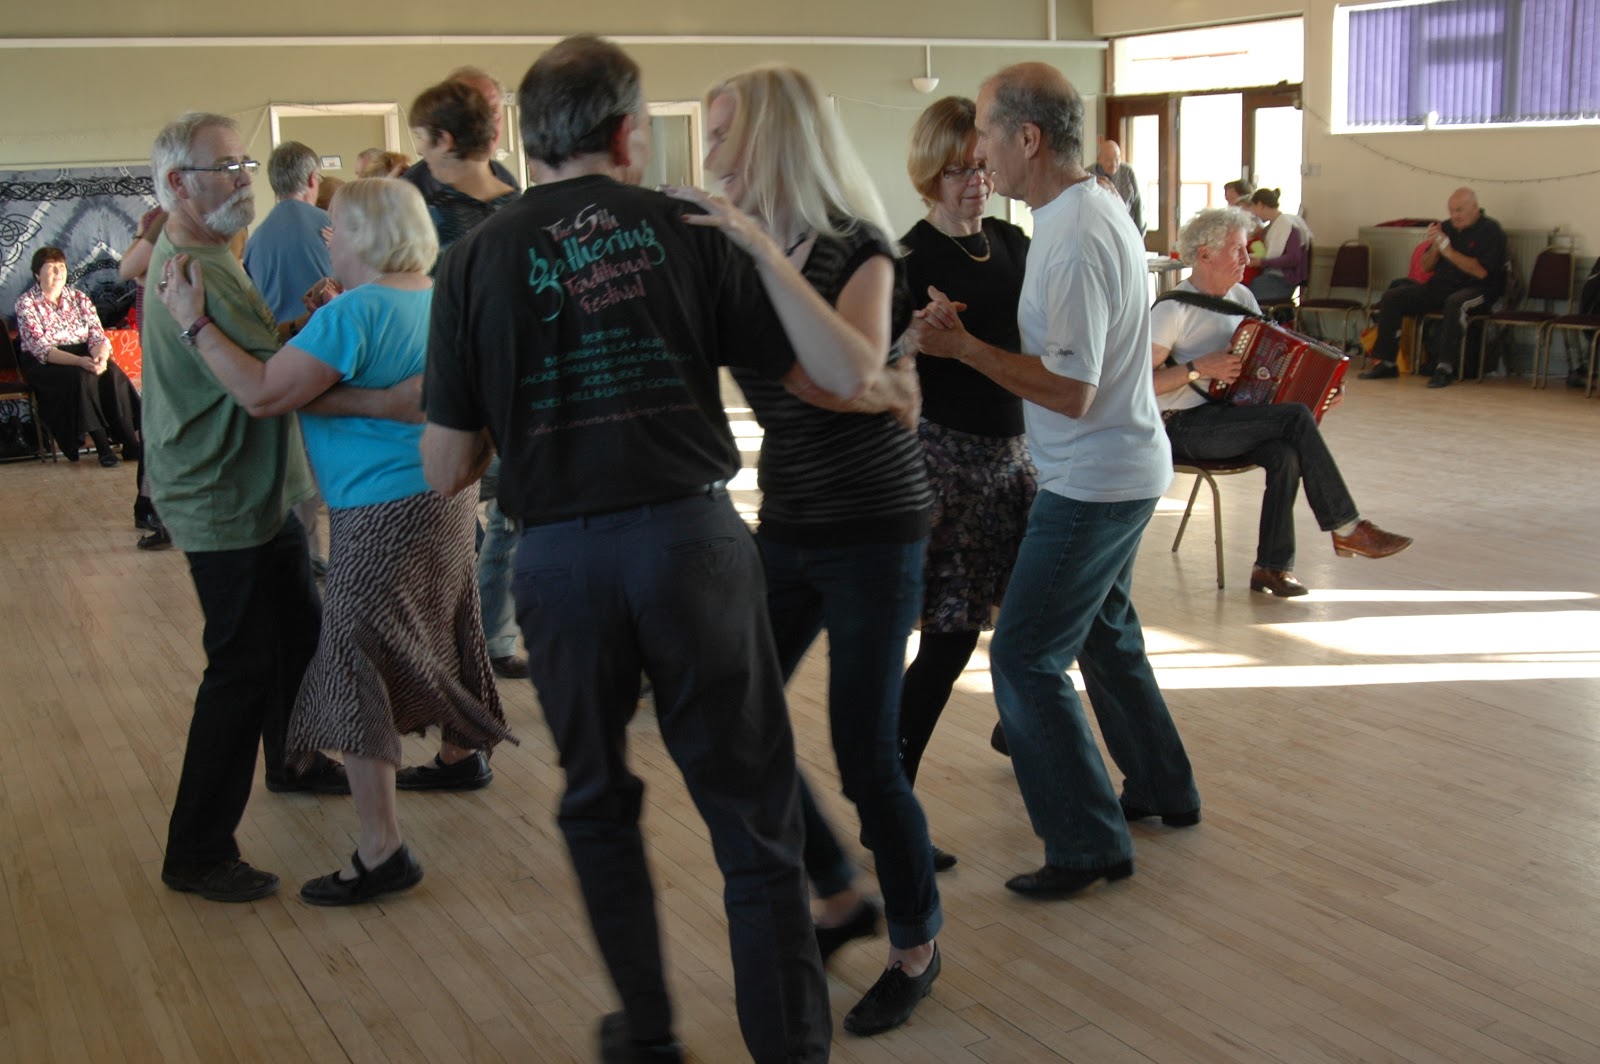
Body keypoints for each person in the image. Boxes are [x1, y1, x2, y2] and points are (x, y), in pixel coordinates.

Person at [421, 36, 882, 1063]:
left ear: (530, 139)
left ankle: (650, 1031)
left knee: (596, 800)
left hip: (558, 563)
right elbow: (835, 375)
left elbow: (447, 464)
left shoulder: (472, 259)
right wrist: (762, 253)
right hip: (692, 544)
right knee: (753, 811)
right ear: (629, 132)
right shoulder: (688, 227)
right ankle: (791, 1045)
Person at [157, 177, 514, 906]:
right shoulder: (437, 299)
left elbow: (259, 393)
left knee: (355, 661)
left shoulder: (355, 313)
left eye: (338, 228)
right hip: (444, 504)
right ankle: (457, 752)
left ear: (370, 238)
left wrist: (195, 324)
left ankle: (381, 849)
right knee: (430, 632)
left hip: (379, 515)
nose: (329, 239)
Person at [911, 62, 1197, 899]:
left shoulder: (1067, 236)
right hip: (1120, 466)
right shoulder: (1090, 205)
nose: (983, 155)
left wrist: (964, 350)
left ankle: (1085, 843)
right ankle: (1163, 789)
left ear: (1027, 139)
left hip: (1092, 480)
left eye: (991, 135)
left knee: (1026, 658)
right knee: (1107, 636)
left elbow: (1069, 391)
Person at [699, 63, 942, 1037]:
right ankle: (841, 890)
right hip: (790, 522)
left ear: (770, 141)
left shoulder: (857, 247)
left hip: (876, 529)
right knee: (731, 711)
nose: (710, 153)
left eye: (721, 134)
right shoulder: (729, 253)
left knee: (862, 753)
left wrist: (757, 244)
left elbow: (851, 363)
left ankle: (915, 941)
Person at [142, 112, 357, 905]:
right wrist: (340, 327)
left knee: (297, 626)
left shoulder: (208, 255)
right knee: (239, 666)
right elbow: (271, 386)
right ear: (176, 185)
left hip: (258, 490)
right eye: (222, 168)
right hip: (220, 493)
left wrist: (302, 320)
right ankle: (196, 850)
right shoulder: (188, 269)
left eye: (243, 164)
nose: (241, 179)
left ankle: (295, 759)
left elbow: (260, 353)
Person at [895, 95, 1035, 863]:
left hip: (1014, 460)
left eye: (981, 167)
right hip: (946, 463)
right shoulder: (907, 259)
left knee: (1032, 627)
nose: (975, 183)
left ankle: (1019, 729)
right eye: (958, 171)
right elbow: (876, 361)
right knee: (949, 644)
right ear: (930, 173)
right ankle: (889, 808)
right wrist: (911, 337)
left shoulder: (1014, 242)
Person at [1151, 208, 1413, 597]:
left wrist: (1319, 395)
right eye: (1237, 249)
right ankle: (1346, 527)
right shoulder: (1172, 310)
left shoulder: (1242, 297)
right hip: (1180, 425)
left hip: (1228, 417)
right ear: (1204, 255)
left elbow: (1267, 370)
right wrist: (1196, 368)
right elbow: (1135, 384)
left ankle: (1271, 568)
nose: (1247, 258)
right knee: (1294, 419)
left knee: (1285, 452)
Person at [390, 76, 524, 796]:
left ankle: (460, 743)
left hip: (459, 419)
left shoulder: (502, 206)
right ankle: (461, 742)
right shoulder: (497, 204)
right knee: (455, 581)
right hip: (461, 416)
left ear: (443, 138)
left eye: (422, 137)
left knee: (452, 580)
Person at [243, 140, 336, 574]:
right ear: (313, 180)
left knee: (299, 463)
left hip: (280, 360)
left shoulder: (256, 239)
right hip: (330, 356)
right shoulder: (330, 226)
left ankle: (309, 550)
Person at [1359, 187, 1507, 389]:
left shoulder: (1490, 230)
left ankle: (1445, 368)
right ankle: (1386, 362)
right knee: (1394, 296)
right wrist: (1436, 248)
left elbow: (1481, 272)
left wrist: (1448, 250)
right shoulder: (1446, 227)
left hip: (1479, 289)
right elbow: (1426, 266)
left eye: (1459, 210)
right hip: (1442, 285)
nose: (1454, 216)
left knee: (1456, 303)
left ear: (1475, 208)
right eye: (1451, 210)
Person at [14, 246, 141, 467]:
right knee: (81, 378)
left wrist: (99, 357)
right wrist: (79, 361)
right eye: (51, 268)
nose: (58, 273)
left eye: (61, 267)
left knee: (111, 373)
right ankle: (102, 446)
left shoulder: (79, 298)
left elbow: (96, 335)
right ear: (37, 274)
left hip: (85, 352)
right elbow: (41, 348)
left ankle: (130, 442)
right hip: (48, 361)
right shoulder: (26, 303)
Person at [120, 207, 173, 548]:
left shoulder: (165, 218)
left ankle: (161, 513)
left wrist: (142, 232)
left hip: (168, 342)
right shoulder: (167, 215)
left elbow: (129, 268)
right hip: (160, 340)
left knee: (162, 429)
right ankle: (153, 509)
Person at [1244, 188, 1312, 304]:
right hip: (1273, 276)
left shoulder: (1288, 225)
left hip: (1282, 280)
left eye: (1254, 209)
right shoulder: (1272, 226)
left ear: (1260, 205)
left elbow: (1294, 258)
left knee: (1240, 292)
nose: (1255, 214)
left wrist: (1262, 262)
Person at [1090, 138, 1145, 235]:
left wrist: (1140, 235)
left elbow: (1138, 205)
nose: (1114, 164)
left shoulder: (1128, 172)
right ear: (1098, 158)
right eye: (1109, 160)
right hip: (1100, 231)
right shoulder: (1089, 175)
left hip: (1127, 230)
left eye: (1117, 159)